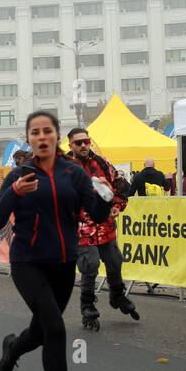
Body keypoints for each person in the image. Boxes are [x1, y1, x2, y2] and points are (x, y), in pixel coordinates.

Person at [0, 110, 113, 371]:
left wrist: (105, 194)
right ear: (28, 138)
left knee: (42, 332)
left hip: (62, 264)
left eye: (47, 131)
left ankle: (12, 349)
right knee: (55, 330)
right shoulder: (19, 175)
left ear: (57, 137)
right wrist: (15, 192)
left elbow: (98, 215)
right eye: (35, 132)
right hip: (27, 263)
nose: (42, 137)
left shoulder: (73, 173)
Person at [67, 127, 138, 331]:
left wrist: (117, 205)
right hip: (81, 227)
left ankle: (117, 296)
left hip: (105, 225)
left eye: (86, 141)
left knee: (115, 261)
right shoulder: (64, 167)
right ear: (70, 145)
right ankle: (87, 305)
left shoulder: (102, 163)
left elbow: (120, 185)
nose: (83, 145)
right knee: (90, 264)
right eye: (78, 142)